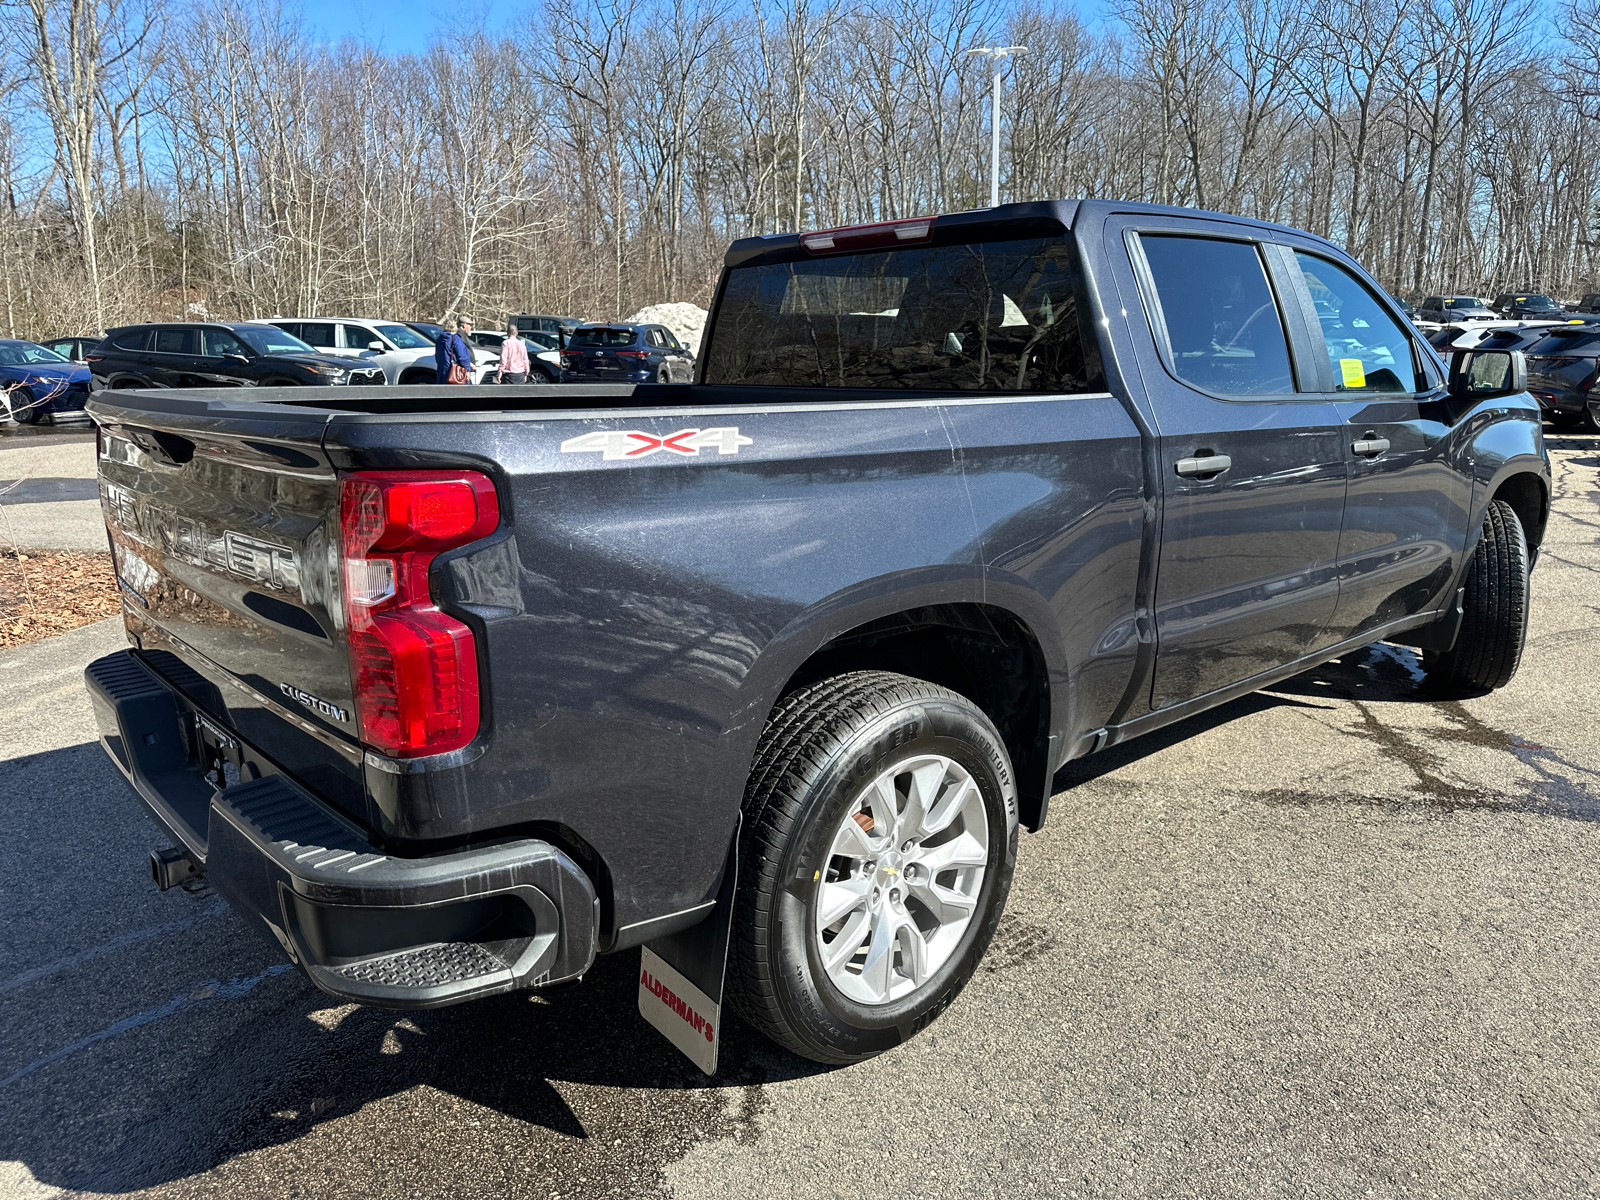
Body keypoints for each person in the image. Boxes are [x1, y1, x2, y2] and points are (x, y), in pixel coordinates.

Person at [434, 317, 473, 385]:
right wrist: (467, 369)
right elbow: (462, 356)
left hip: (442, 371)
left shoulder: (440, 339)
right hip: (455, 373)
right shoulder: (455, 339)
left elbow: (437, 356)